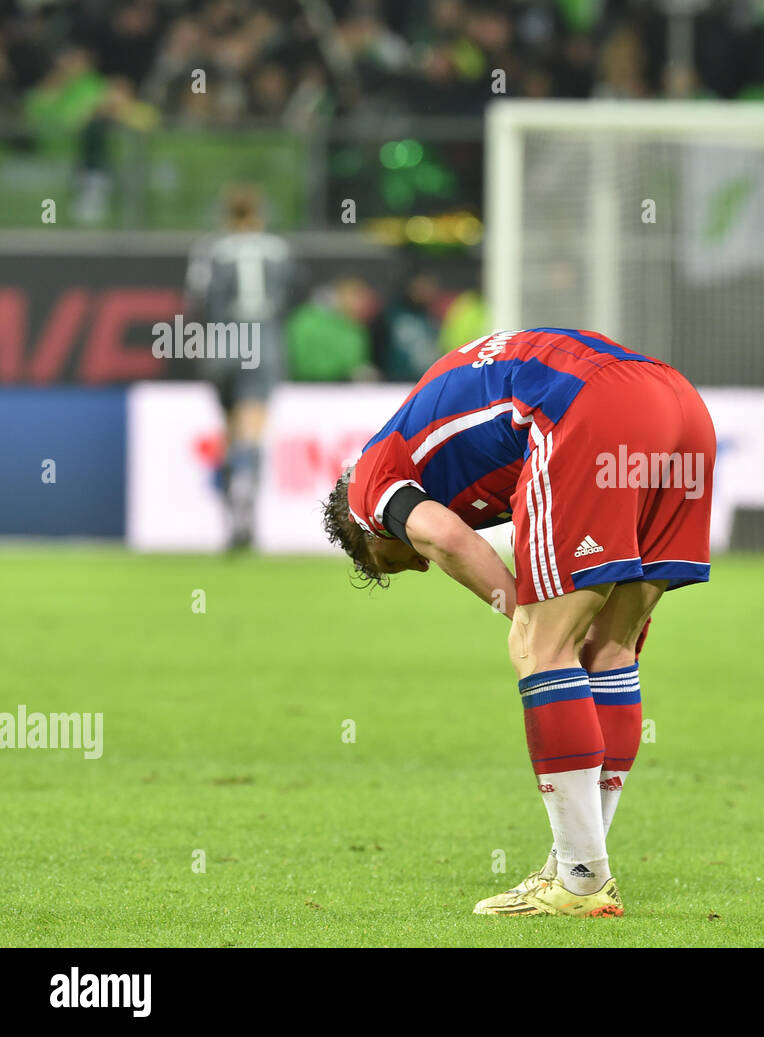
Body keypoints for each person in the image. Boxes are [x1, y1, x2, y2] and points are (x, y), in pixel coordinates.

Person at [322, 327, 715, 916]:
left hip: (590, 408)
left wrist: (520, 610)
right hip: (679, 405)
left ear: (368, 535)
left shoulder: (369, 486)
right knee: (611, 646)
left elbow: (447, 538)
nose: (417, 568)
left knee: (539, 646)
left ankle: (580, 880)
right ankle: (576, 861)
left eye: (396, 564)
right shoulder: (441, 441)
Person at [185, 184, 297, 548]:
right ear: (259, 213)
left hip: (222, 343)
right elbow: (291, 297)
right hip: (262, 342)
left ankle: (232, 508)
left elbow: (196, 300)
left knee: (230, 429)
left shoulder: (211, 249)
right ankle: (246, 488)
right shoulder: (278, 249)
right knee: (251, 429)